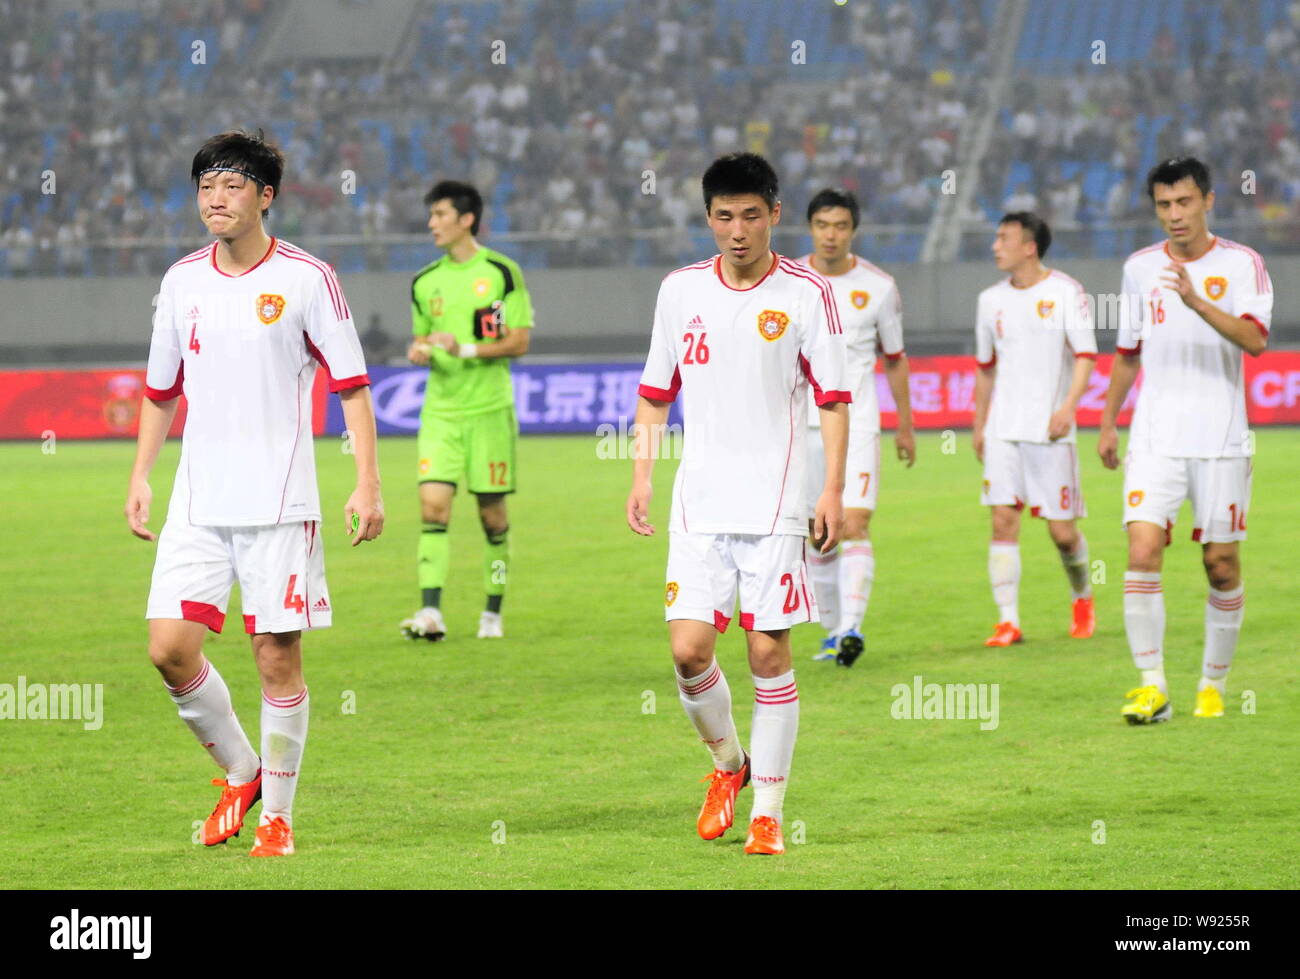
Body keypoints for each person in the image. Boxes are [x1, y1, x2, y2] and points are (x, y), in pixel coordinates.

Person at [125, 130, 384, 857]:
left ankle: (279, 816)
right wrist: (141, 474)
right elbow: (159, 390)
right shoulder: (181, 282)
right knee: (169, 649)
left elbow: (354, 388)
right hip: (197, 502)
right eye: (206, 184)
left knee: (276, 658)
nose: (216, 197)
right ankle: (243, 770)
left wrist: (368, 480)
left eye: (233, 184)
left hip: (279, 504)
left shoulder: (307, 279)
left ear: (266, 196)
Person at [626, 153, 849, 856]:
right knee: (690, 652)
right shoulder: (680, 291)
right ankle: (729, 764)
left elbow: (834, 400)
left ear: (775, 215)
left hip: (779, 503)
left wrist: (833, 489)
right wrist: (641, 476)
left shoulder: (808, 293)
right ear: (708, 218)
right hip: (699, 503)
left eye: (751, 214)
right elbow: (655, 393)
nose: (738, 229)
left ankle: (769, 814)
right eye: (724, 216)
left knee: (766, 649)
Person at [1098, 157, 1271, 724]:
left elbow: (1255, 341)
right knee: (1143, 550)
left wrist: (1197, 300)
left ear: (1208, 201)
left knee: (1220, 565)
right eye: (1165, 205)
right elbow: (1127, 353)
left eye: (1185, 203)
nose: (1175, 215)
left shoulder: (1243, 264)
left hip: (1220, 439)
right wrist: (1106, 421)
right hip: (1154, 438)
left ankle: (1212, 684)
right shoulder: (1139, 268)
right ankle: (1153, 687)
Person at [401, 181, 534, 642]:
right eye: (431, 215)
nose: (432, 223)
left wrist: (467, 348)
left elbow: (518, 341)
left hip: (489, 411)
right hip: (440, 413)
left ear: (466, 220)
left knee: (492, 518)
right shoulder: (424, 281)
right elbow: (419, 337)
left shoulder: (501, 272)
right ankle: (430, 613)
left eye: (440, 215)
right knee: (432, 508)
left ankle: (492, 613)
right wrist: (418, 350)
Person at [797, 188, 915, 667]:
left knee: (855, 523)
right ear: (811, 228)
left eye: (840, 226)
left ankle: (851, 628)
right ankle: (831, 631)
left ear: (853, 231)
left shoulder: (879, 287)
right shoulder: (788, 281)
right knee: (816, 533)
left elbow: (896, 359)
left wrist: (905, 425)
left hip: (859, 424)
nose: (831, 235)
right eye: (823, 225)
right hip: (801, 426)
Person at [973, 212, 1097, 646]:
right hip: (1003, 430)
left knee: (1062, 533)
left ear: (1029, 246)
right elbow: (985, 368)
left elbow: (1085, 355)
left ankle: (1082, 597)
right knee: (1003, 521)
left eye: (1003, 238)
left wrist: (1068, 407)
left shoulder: (1066, 292)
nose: (995, 245)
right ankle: (1008, 621)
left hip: (1050, 430)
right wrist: (979, 423)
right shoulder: (989, 300)